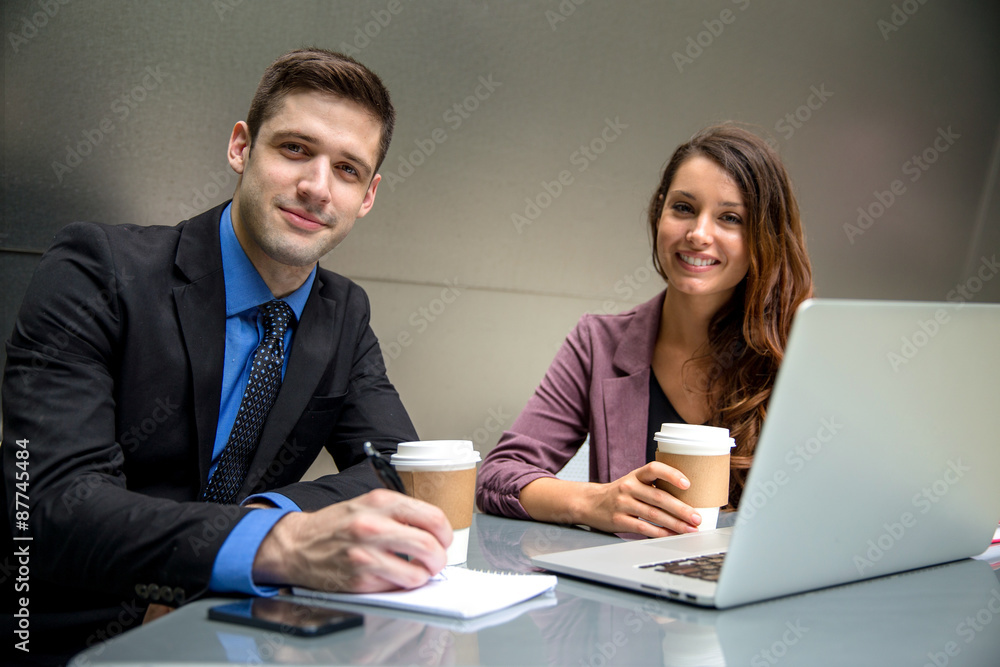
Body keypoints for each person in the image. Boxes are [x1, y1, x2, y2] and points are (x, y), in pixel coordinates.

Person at [1, 49, 451, 663]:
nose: (316, 186)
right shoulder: (95, 271)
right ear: (242, 148)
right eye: (295, 149)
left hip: (229, 627)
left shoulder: (344, 313)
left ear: (367, 196)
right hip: (61, 629)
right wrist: (277, 545)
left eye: (347, 169)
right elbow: (50, 506)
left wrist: (263, 520)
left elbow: (399, 472)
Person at [476, 124, 814, 538]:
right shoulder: (598, 344)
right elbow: (497, 476)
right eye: (684, 208)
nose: (698, 234)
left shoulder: (801, 352)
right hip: (632, 591)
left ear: (765, 237)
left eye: (730, 218)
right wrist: (594, 501)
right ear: (659, 212)